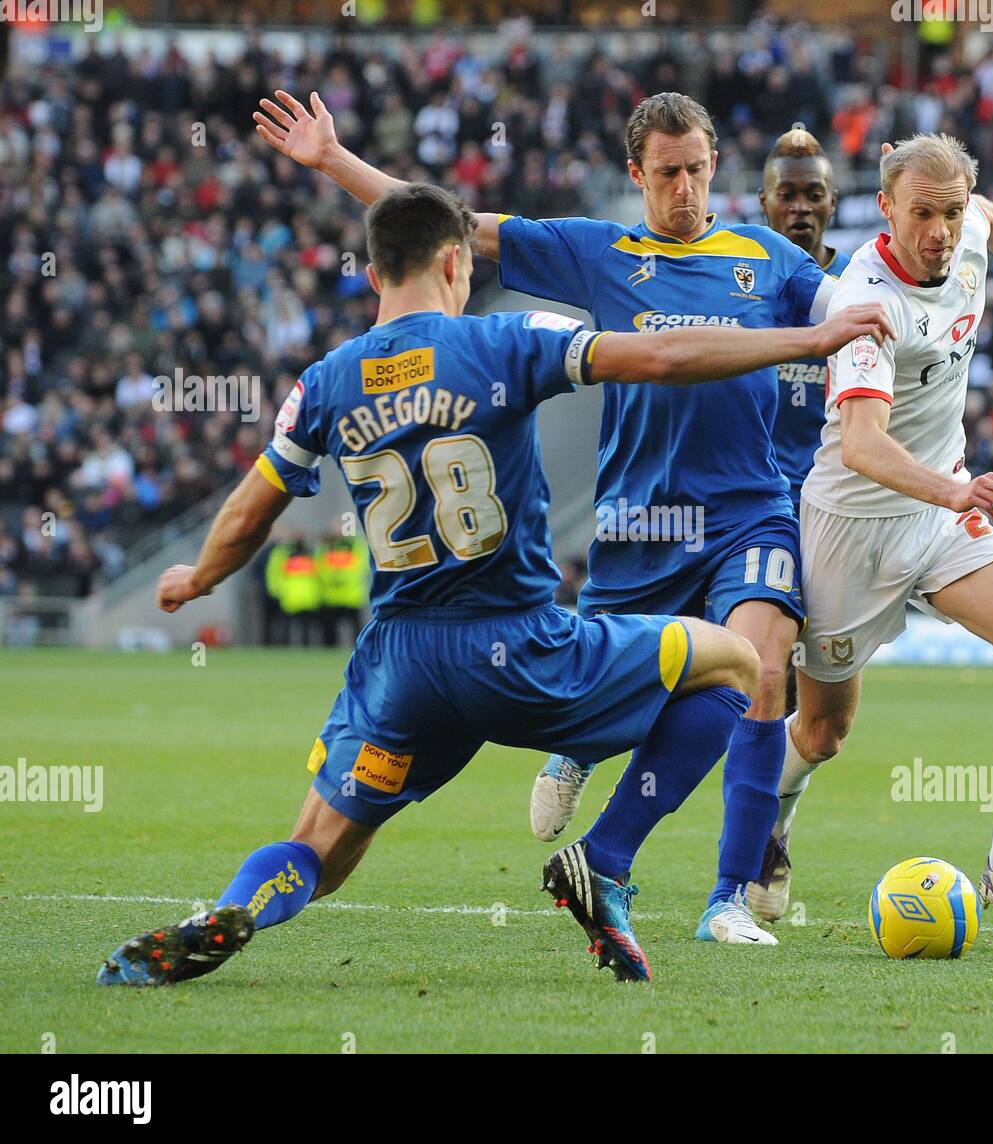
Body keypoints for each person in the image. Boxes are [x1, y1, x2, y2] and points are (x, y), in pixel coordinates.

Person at [95, 182, 893, 987]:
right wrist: (808, 341)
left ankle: (238, 908)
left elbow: (249, 508)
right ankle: (603, 862)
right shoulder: (507, 342)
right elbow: (657, 356)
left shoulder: (327, 381)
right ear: (455, 261)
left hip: (400, 671)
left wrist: (196, 576)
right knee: (735, 662)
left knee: (319, 851)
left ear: (373, 276)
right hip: (520, 649)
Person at [254, 88, 842, 945]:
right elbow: (451, 228)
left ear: (716, 165)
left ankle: (723, 897)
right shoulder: (599, 251)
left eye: (699, 169)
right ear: (637, 173)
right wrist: (338, 163)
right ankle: (583, 750)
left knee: (757, 666)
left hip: (750, 510)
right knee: (628, 690)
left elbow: (852, 308)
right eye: (667, 173)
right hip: (637, 523)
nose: (685, 187)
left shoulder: (769, 260)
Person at [760, 134, 993, 928]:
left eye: (948, 212)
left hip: (940, 508)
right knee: (821, 730)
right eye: (923, 214)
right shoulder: (866, 302)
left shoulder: (966, 225)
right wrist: (957, 493)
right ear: (885, 209)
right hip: (850, 525)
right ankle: (768, 830)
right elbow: (861, 444)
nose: (942, 231)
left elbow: (990, 216)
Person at [746, 126, 852, 920]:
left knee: (820, 727)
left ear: (832, 206)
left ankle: (770, 833)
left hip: (828, 521)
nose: (801, 208)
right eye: (788, 193)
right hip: (737, 511)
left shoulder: (856, 300)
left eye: (814, 195)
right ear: (763, 203)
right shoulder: (734, 289)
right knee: (746, 681)